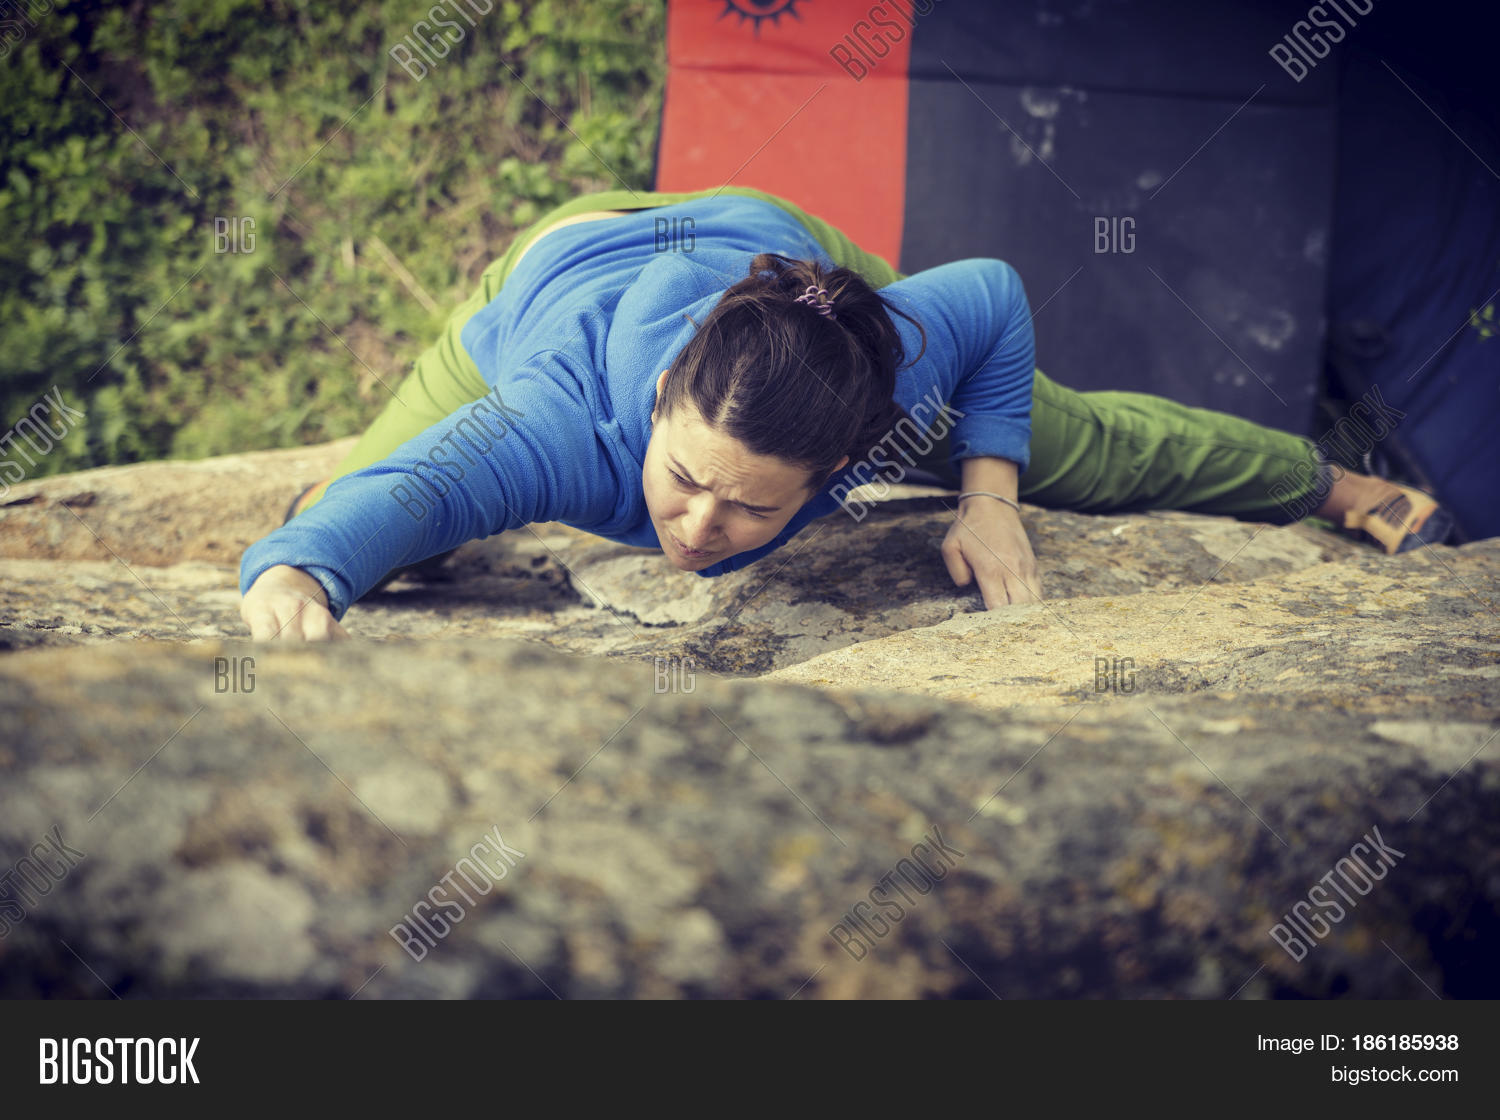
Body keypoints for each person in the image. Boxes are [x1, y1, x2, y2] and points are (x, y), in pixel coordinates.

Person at [238, 185, 1452, 641]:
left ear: (835, 467)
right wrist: (297, 570)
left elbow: (991, 294)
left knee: (1074, 440)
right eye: (683, 481)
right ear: (662, 405)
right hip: (552, 271)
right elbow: (409, 494)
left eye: (748, 503)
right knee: (373, 526)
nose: (696, 527)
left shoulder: (887, 386)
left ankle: (1339, 484)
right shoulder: (554, 417)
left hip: (791, 272)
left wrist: (990, 496)